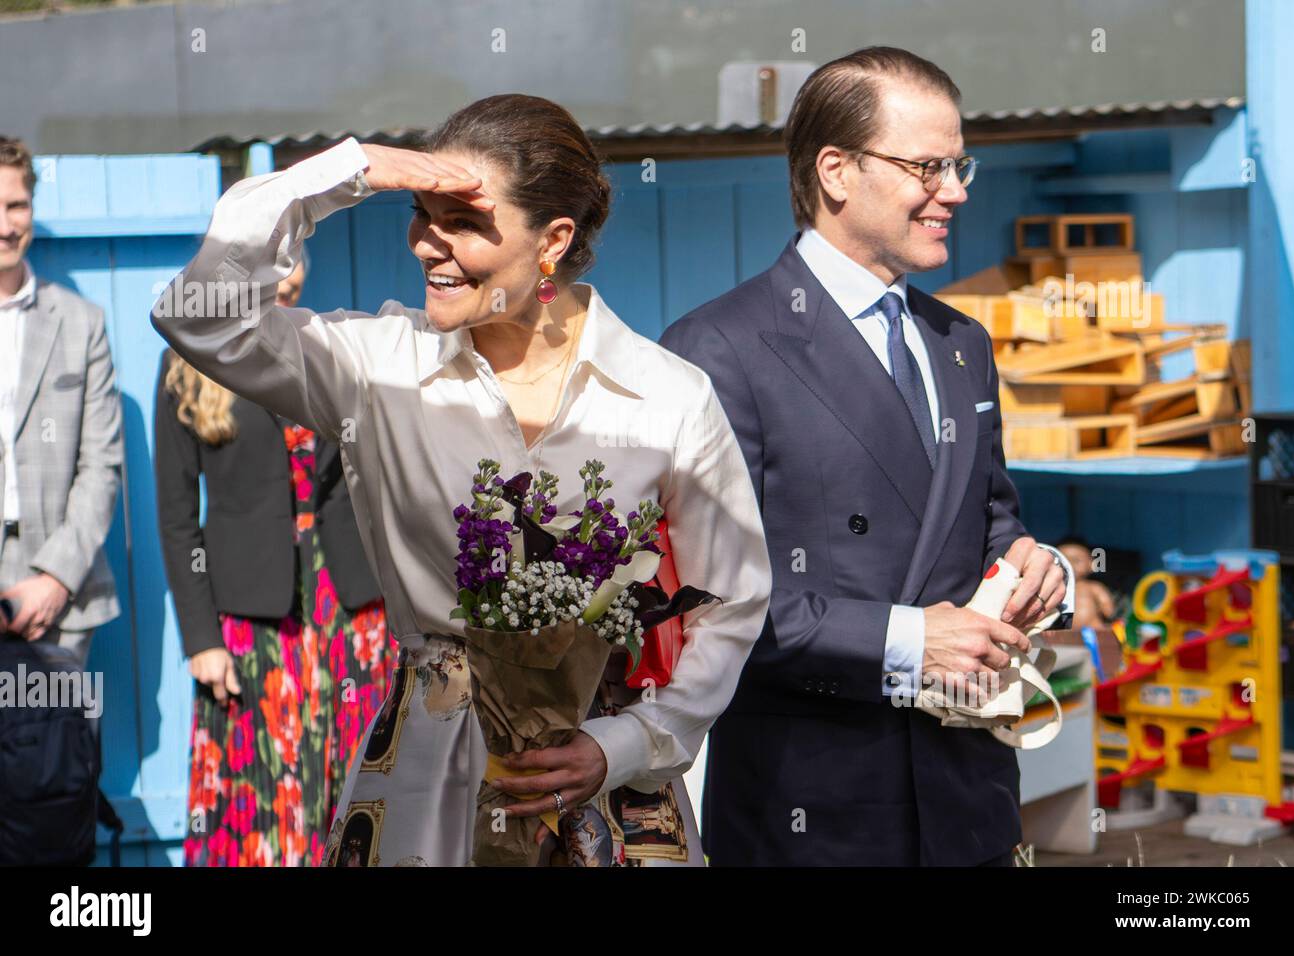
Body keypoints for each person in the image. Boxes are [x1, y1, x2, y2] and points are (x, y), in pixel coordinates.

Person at [150, 94, 771, 866]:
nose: (425, 245)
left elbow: (733, 598)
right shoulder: (374, 367)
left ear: (554, 241)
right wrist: (345, 173)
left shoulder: (671, 395)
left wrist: (627, 744)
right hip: (427, 782)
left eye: (465, 222)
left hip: (610, 791)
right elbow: (198, 317)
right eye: (419, 213)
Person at [660, 47, 1074, 866]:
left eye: (960, 165)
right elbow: (707, 606)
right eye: (928, 166)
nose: (954, 191)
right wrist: (910, 641)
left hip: (969, 802)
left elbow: (989, 521)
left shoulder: (961, 343)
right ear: (837, 171)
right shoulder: (718, 349)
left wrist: (1035, 568)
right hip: (813, 809)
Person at [154, 253, 394, 867]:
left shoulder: (333, 345)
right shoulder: (184, 362)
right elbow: (177, 518)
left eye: (294, 260)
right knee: (268, 781)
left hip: (352, 607)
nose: (286, 277)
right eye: (269, 262)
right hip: (251, 614)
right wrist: (200, 639)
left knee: (353, 775)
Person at [0, 136, 122, 668]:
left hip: (60, 591)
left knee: (54, 751)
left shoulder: (82, 323)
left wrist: (54, 579)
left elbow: (102, 466)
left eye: (16, 206)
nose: (5, 225)